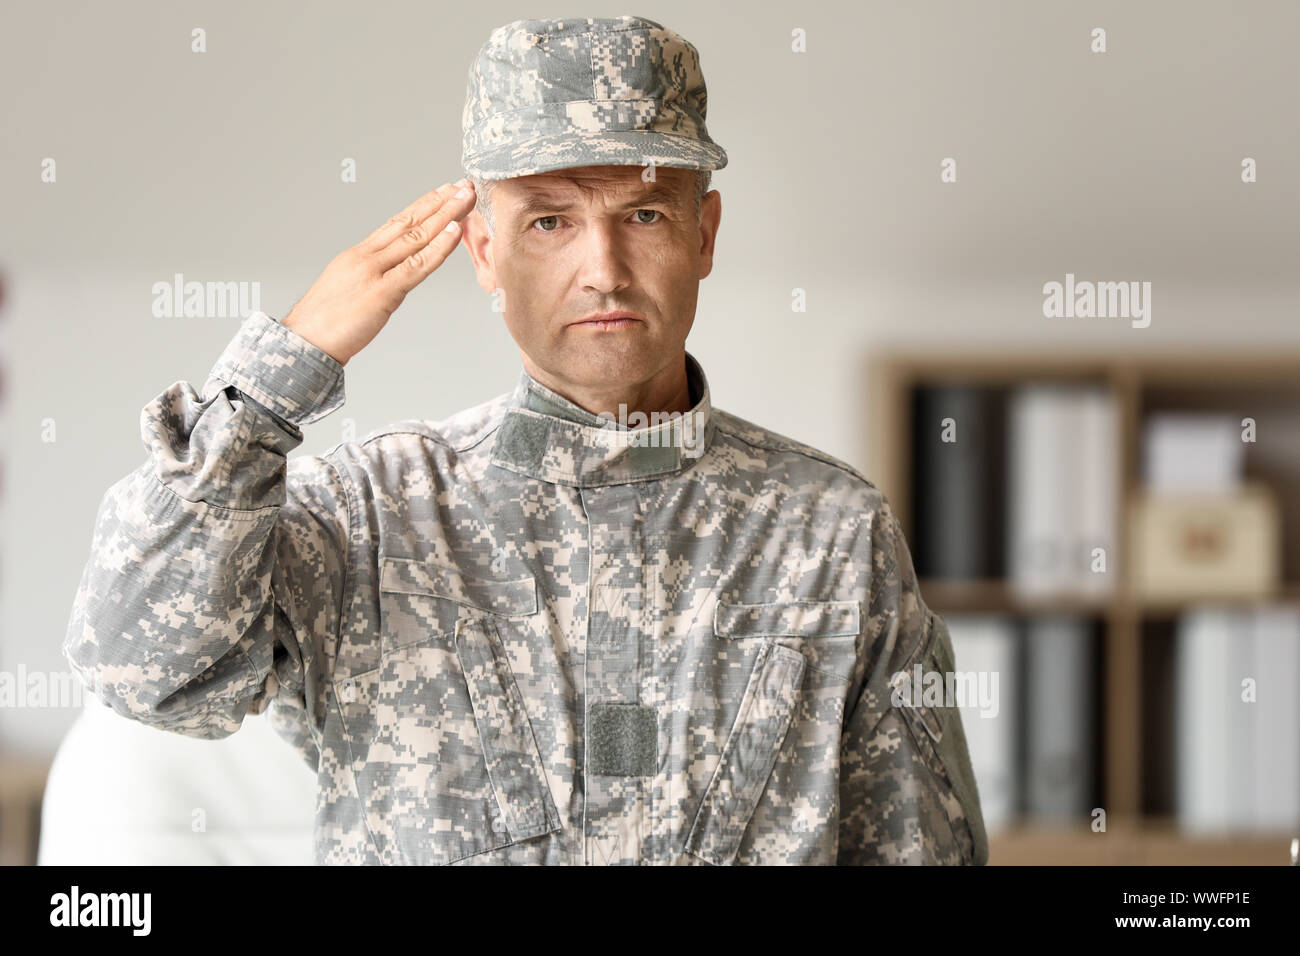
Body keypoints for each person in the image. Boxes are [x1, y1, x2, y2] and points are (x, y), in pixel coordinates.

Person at [63, 15, 987, 865]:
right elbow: (142, 670)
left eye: (646, 214)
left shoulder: (830, 531)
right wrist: (271, 385)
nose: (603, 271)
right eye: (549, 221)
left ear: (703, 235)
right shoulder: (369, 515)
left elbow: (922, 854)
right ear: (483, 251)